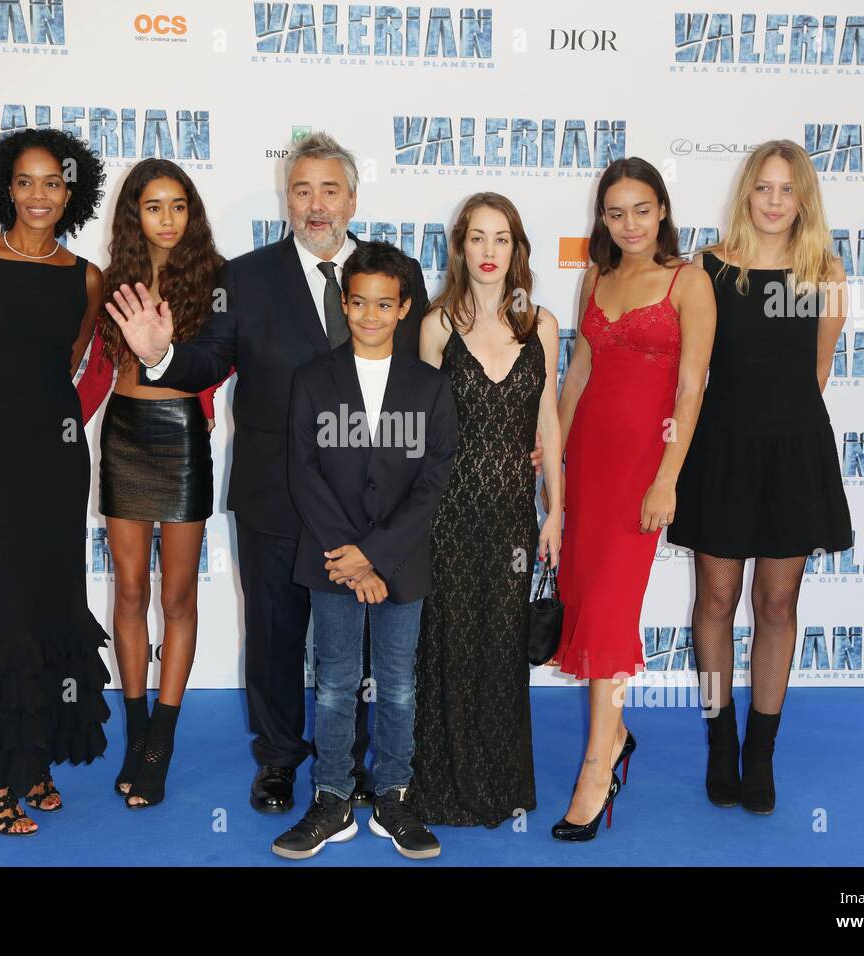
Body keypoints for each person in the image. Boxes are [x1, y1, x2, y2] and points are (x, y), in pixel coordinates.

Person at [103, 132, 429, 813]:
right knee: (276, 637)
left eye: (329, 189)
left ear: (353, 197)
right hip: (275, 495)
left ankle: (357, 759)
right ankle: (279, 759)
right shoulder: (245, 278)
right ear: (287, 199)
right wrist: (163, 359)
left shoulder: (393, 273)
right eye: (302, 190)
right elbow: (209, 360)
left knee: (365, 644)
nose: (316, 205)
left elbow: (422, 380)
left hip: (371, 503)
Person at [665, 140, 852, 815]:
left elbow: (819, 368)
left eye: (786, 189)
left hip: (794, 454)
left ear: (804, 199)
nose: (773, 201)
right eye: (763, 188)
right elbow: (692, 374)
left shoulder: (823, 272)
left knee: (778, 606)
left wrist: (787, 428)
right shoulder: (710, 269)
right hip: (724, 450)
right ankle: (720, 741)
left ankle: (761, 755)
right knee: (715, 602)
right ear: (746, 193)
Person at [0, 128, 109, 836]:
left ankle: (35, 757)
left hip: (60, 452)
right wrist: (2, 416)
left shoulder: (85, 277)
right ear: (5, 187)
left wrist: (39, 416)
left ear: (73, 192)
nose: (39, 195)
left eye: (54, 183)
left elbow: (69, 360)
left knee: (55, 600)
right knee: (10, 605)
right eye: (26, 181)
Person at [274, 242, 457, 860]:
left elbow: (434, 479)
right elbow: (304, 473)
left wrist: (375, 556)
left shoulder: (430, 387)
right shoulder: (313, 378)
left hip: (399, 561)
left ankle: (394, 797)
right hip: (331, 562)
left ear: (405, 307)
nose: (371, 315)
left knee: (399, 683)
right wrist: (351, 558)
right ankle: (331, 800)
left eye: (385, 304)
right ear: (343, 304)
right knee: (334, 683)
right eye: (358, 303)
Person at [552, 157, 716, 841]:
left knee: (612, 614)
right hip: (587, 461)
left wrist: (668, 476)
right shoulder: (596, 276)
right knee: (586, 600)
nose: (629, 225)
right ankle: (614, 736)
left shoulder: (689, 282)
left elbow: (692, 386)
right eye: (615, 213)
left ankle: (597, 764)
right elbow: (580, 368)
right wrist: (554, 460)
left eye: (641, 210)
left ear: (662, 210)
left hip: (644, 468)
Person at [75, 159, 229, 808]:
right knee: (131, 589)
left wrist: (173, 357)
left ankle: (162, 740)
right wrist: (49, 431)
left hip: (183, 437)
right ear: (133, 215)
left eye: (178, 206)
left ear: (191, 212)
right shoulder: (113, 281)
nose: (167, 219)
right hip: (125, 435)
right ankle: (136, 729)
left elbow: (219, 366)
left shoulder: (219, 279)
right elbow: (95, 373)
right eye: (153, 206)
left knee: (179, 600)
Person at [411, 192, 563, 828]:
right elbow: (417, 433)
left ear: (517, 248)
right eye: (478, 238)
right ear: (460, 247)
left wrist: (555, 510)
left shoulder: (542, 326)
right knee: (445, 643)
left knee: (501, 646)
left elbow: (548, 422)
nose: (490, 251)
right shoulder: (436, 326)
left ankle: (500, 782)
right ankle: (441, 785)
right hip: (445, 515)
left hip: (511, 519)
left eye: (501, 239)